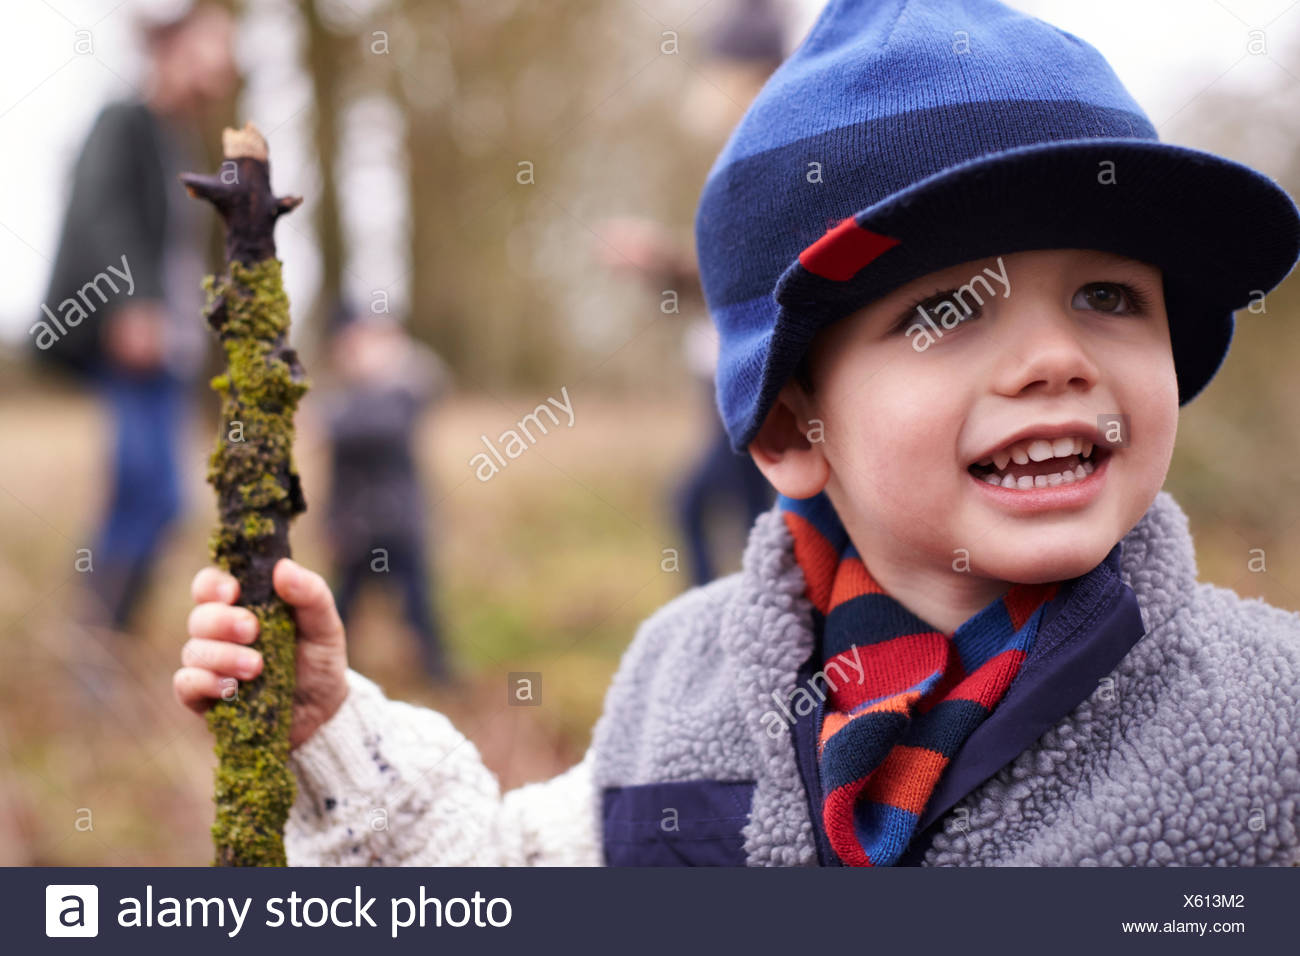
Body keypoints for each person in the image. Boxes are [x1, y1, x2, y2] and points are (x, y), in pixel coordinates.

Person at [173, 0, 1300, 866]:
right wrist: (335, 741)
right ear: (790, 429)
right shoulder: (682, 690)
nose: (1056, 357)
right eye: (944, 312)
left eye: (1109, 296)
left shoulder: (1264, 723)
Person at [38, 2, 237, 633]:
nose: (227, 62)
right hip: (135, 337)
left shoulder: (175, 139)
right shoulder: (124, 119)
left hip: (165, 345)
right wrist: (132, 305)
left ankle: (106, 636)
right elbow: (103, 214)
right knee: (147, 488)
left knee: (156, 495)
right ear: (174, 46)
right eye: (216, 44)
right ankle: (95, 637)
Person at [317, 304, 454, 685]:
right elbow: (335, 475)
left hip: (399, 525)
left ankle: (438, 672)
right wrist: (329, 522)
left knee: (418, 605)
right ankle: (330, 672)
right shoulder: (342, 397)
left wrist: (394, 358)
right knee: (342, 606)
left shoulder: (404, 390)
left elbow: (378, 425)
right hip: (355, 528)